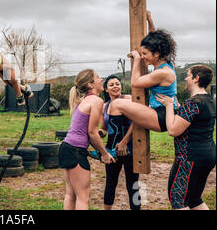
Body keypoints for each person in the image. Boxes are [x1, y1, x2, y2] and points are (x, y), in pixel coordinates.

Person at [156, 65, 216, 210]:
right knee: (194, 200)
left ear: (196, 79)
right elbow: (191, 120)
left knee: (178, 200)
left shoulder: (192, 103)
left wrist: (169, 106)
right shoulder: (209, 101)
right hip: (207, 156)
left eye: (188, 75)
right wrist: (177, 108)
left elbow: (173, 130)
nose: (185, 78)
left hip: (189, 158)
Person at [110, 11, 178, 132]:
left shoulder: (163, 73)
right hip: (162, 112)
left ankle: (112, 145)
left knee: (116, 104)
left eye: (145, 54)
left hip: (162, 117)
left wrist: (136, 59)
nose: (142, 56)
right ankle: (119, 141)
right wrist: (149, 20)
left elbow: (135, 82)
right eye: (141, 54)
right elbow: (155, 41)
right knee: (121, 103)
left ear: (156, 54)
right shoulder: (164, 62)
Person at [59, 69, 115, 210]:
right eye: (98, 77)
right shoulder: (96, 100)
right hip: (76, 151)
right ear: (90, 84)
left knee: (70, 194)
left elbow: (88, 130)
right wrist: (104, 153)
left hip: (67, 147)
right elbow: (91, 132)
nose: (102, 79)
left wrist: (99, 133)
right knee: (83, 197)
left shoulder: (84, 100)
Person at [99, 75, 140, 210]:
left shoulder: (128, 99)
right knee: (110, 183)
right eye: (111, 85)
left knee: (132, 184)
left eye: (117, 83)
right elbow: (104, 128)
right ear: (106, 89)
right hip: (111, 150)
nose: (116, 86)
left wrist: (124, 141)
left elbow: (138, 119)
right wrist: (99, 134)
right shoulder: (104, 106)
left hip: (129, 148)